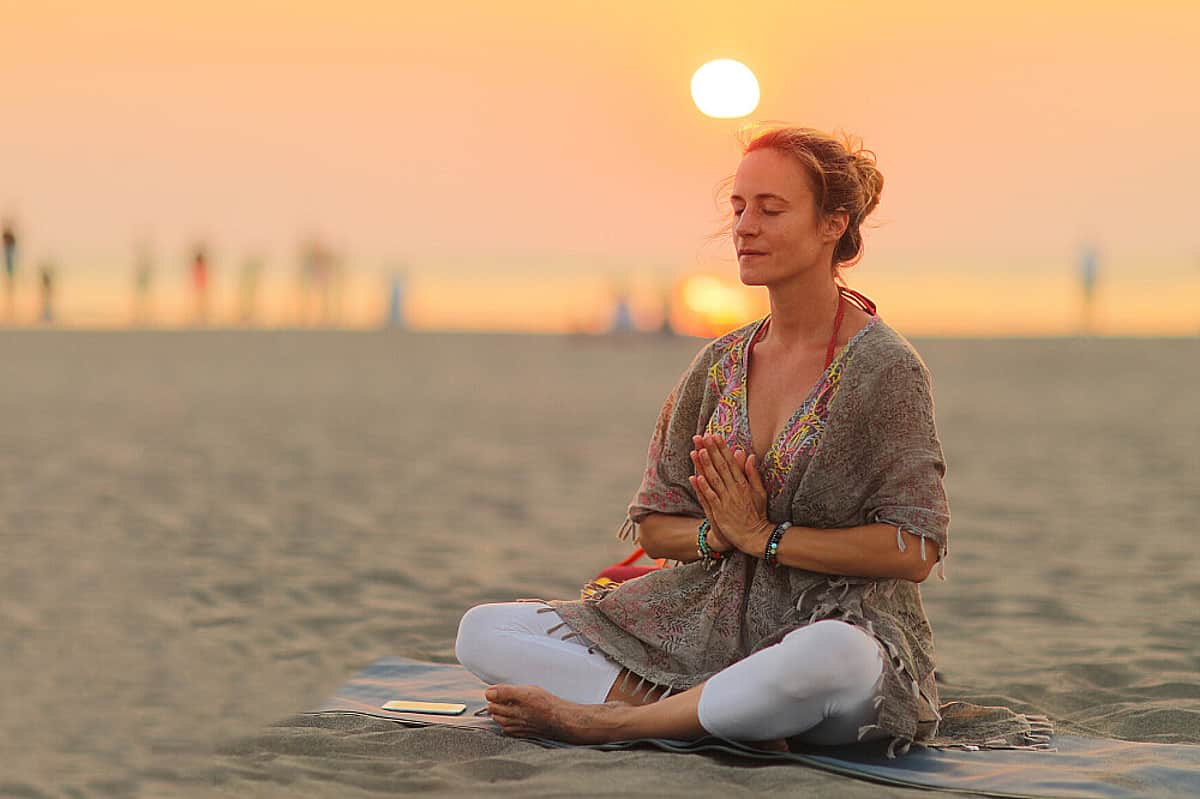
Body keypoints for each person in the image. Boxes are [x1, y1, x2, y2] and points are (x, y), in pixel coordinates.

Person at [455, 125, 1049, 757]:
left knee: (829, 657)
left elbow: (915, 550)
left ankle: (615, 722)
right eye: (738, 208)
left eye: (771, 209)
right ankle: (718, 711)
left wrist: (766, 537)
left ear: (832, 225)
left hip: (840, 628)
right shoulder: (721, 363)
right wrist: (721, 534)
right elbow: (657, 524)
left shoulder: (886, 368)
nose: (744, 226)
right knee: (485, 631)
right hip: (708, 624)